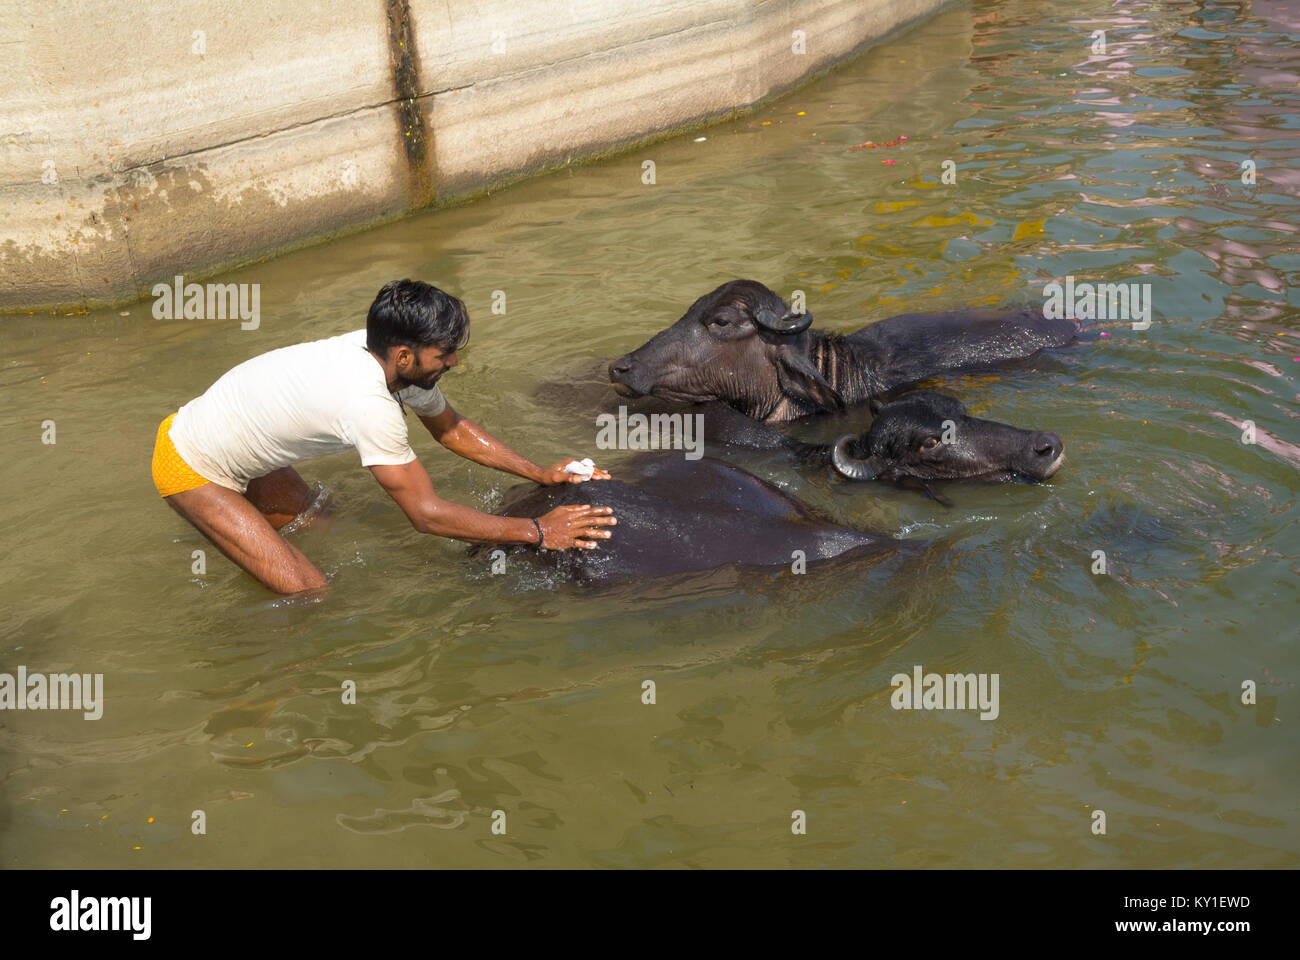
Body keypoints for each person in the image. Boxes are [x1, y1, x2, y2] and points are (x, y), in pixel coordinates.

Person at [151, 279, 616, 593]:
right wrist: (538, 531)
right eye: (445, 353)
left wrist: (539, 473)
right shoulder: (368, 404)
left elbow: (450, 429)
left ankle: (239, 540)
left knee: (316, 520)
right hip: (191, 461)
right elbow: (426, 515)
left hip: (230, 434)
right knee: (308, 592)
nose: (454, 362)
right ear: (405, 356)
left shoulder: (381, 352)